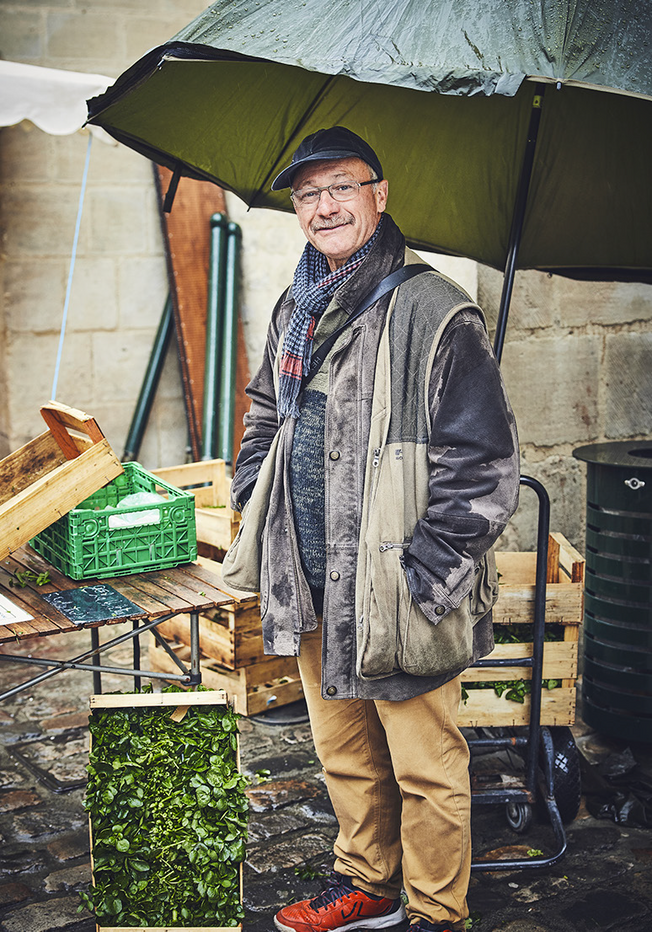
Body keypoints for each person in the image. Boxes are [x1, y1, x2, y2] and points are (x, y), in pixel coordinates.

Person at [226, 126, 520, 932]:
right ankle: (369, 881)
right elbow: (264, 411)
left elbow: (485, 464)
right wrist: (254, 492)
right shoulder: (297, 305)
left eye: (341, 188)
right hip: (313, 576)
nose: (324, 206)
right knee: (345, 751)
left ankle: (436, 912)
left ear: (379, 195)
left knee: (425, 764)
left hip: (398, 588)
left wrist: (426, 574)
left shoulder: (434, 309)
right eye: (308, 194)